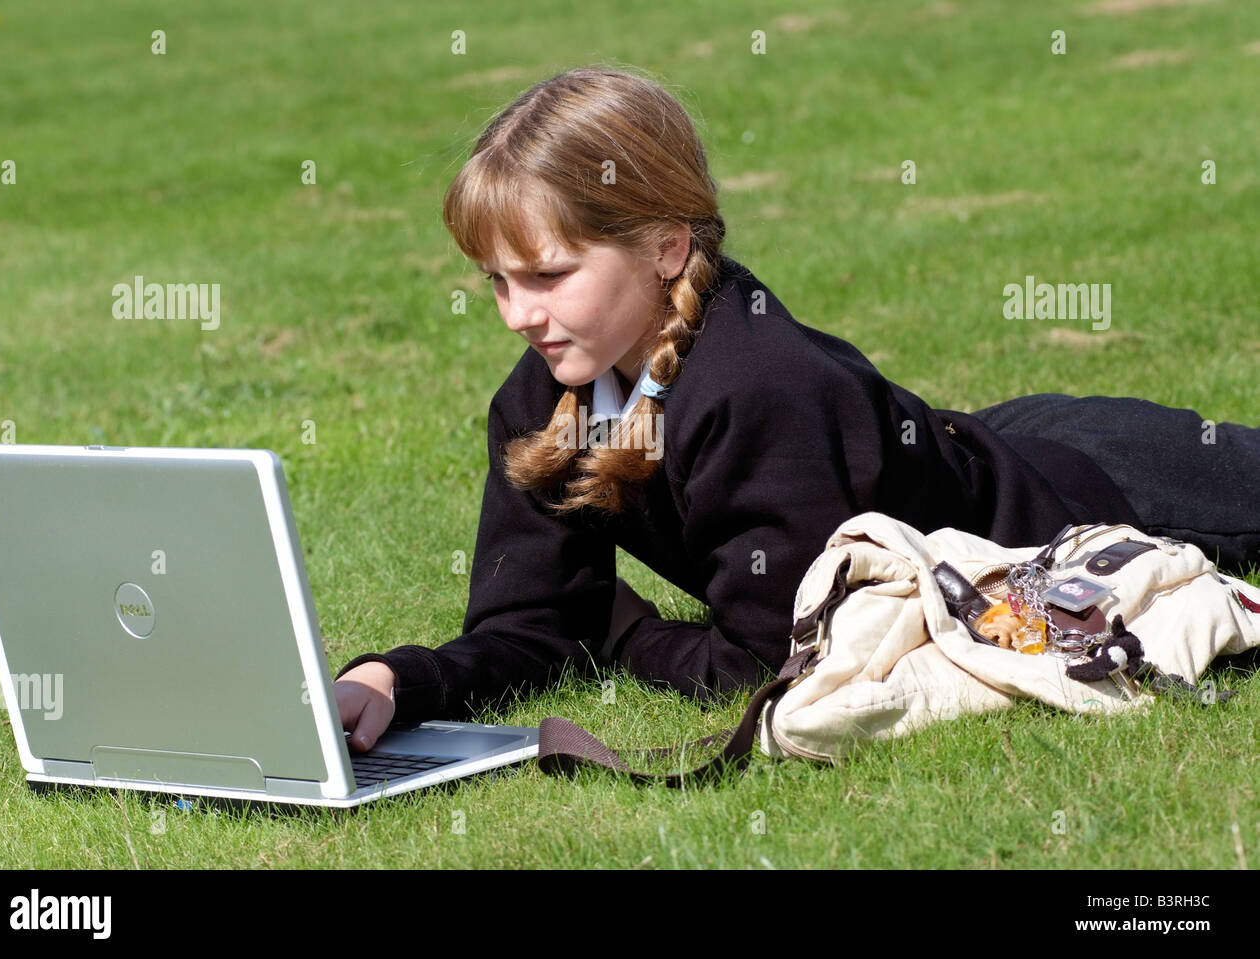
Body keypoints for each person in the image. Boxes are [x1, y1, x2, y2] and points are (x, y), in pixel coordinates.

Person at [333, 66, 1260, 751]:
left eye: (548, 274)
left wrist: (626, 633)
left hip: (1097, 494)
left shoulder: (755, 388)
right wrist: (394, 678)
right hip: (985, 441)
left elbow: (767, 664)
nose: (518, 313)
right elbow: (529, 622)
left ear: (664, 249)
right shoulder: (543, 398)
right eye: (497, 281)